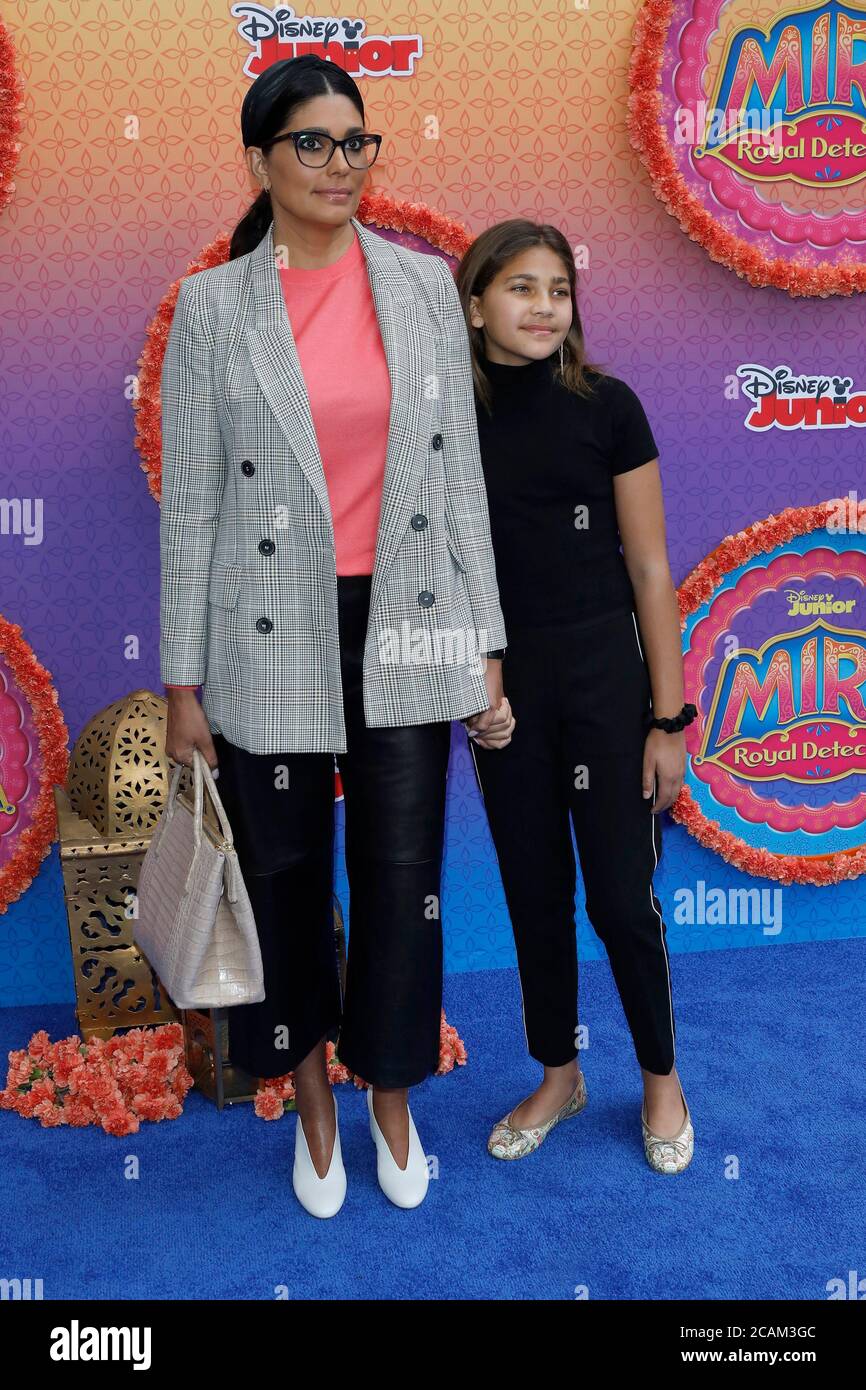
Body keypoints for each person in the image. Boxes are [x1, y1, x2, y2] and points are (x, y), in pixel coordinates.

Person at [159, 55, 514, 1217]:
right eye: (311, 143)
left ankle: (389, 1093)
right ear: (259, 159)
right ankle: (309, 1095)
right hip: (269, 629)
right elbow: (194, 504)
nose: (339, 165)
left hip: (406, 624)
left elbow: (457, 476)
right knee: (285, 871)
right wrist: (181, 681)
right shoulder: (215, 306)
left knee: (402, 871)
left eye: (355, 142)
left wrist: (484, 640)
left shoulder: (419, 286)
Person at [455, 219, 696, 1175]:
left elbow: (648, 566)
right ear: (476, 306)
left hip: (609, 686)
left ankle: (662, 1080)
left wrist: (667, 720)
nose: (545, 305)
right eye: (520, 287)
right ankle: (559, 1072)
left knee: (621, 901)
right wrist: (480, 677)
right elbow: (450, 570)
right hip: (506, 698)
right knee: (534, 895)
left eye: (558, 289)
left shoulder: (610, 407)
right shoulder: (447, 420)